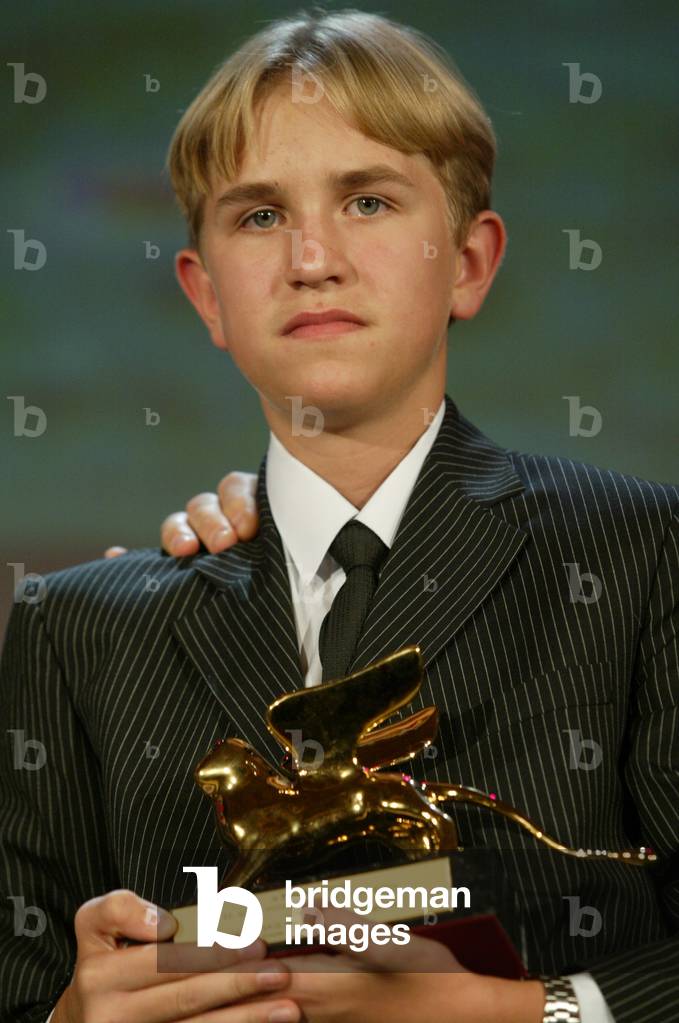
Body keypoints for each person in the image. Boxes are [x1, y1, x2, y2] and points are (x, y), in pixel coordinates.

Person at [1, 7, 677, 1023]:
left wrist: (532, 1012)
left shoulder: (641, 555)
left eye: (367, 201)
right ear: (207, 297)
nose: (311, 257)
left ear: (468, 261)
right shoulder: (78, 626)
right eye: (259, 216)